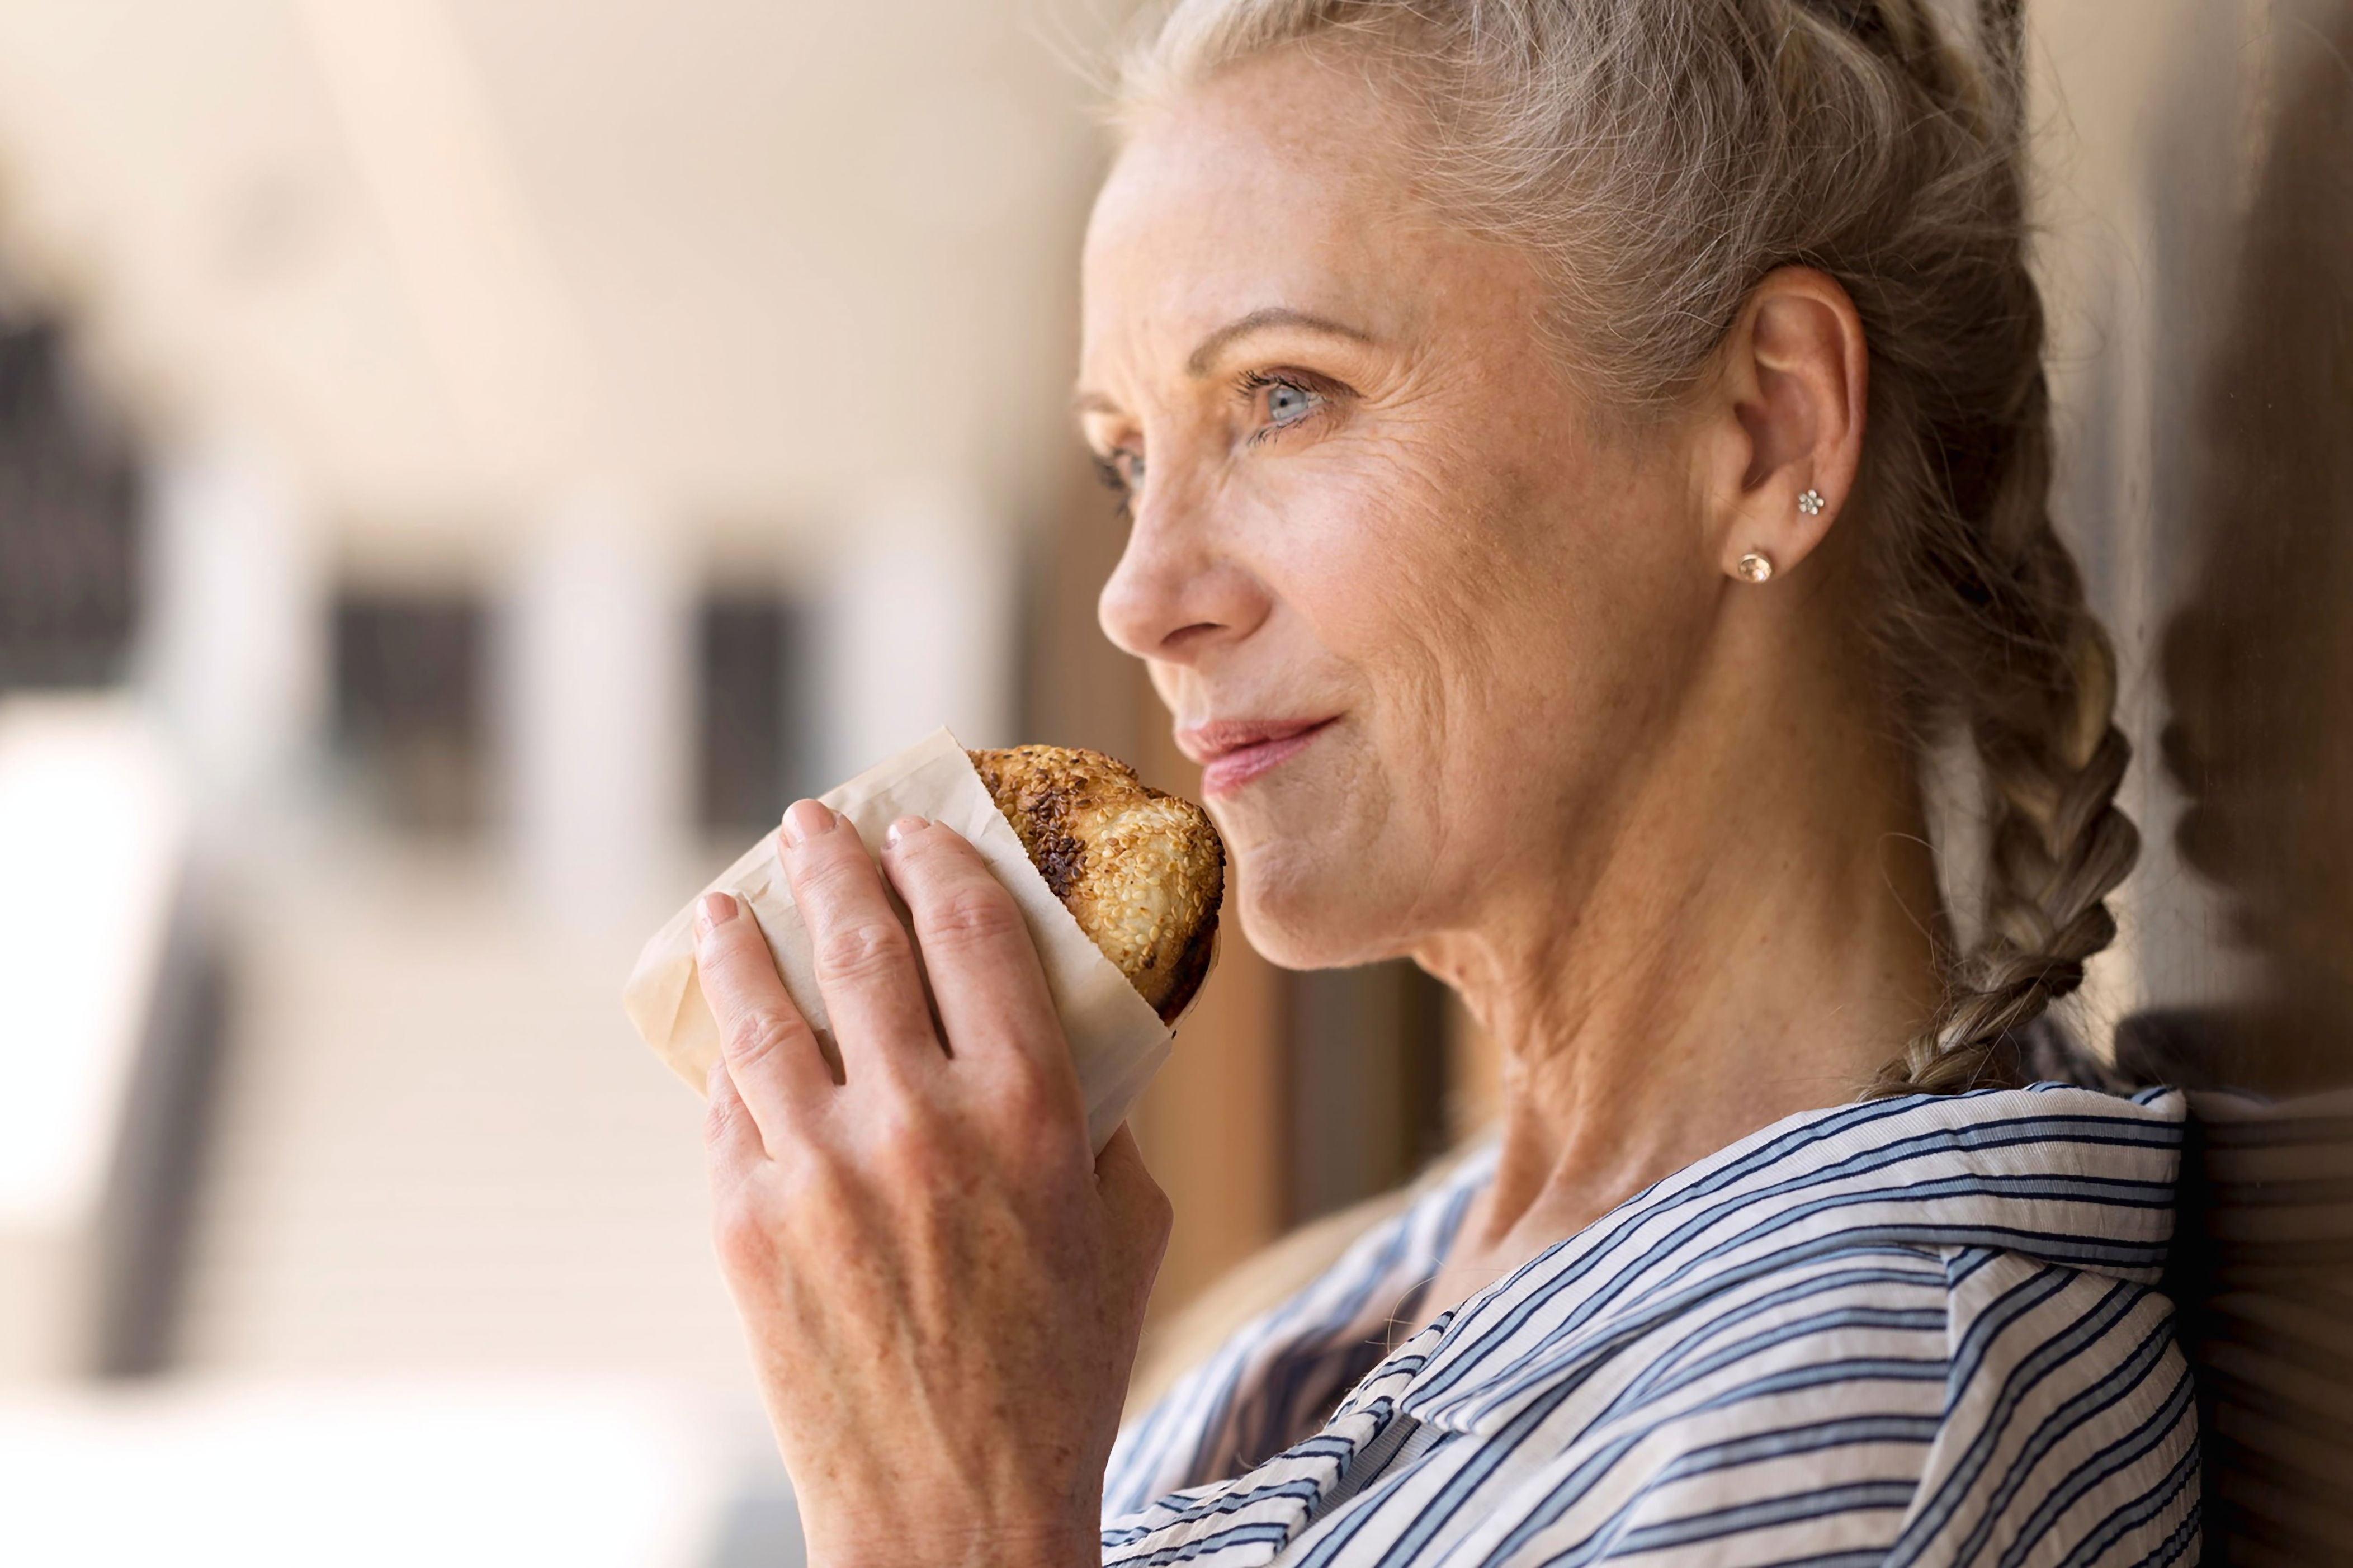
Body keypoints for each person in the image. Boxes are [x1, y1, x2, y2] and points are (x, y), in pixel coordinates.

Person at [685, 1, 2198, 1562]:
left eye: (1284, 395)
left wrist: (944, 1514)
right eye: (1128, 460)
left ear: (1765, 431)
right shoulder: (1385, 1289)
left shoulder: (1852, 1439)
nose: (1139, 598)